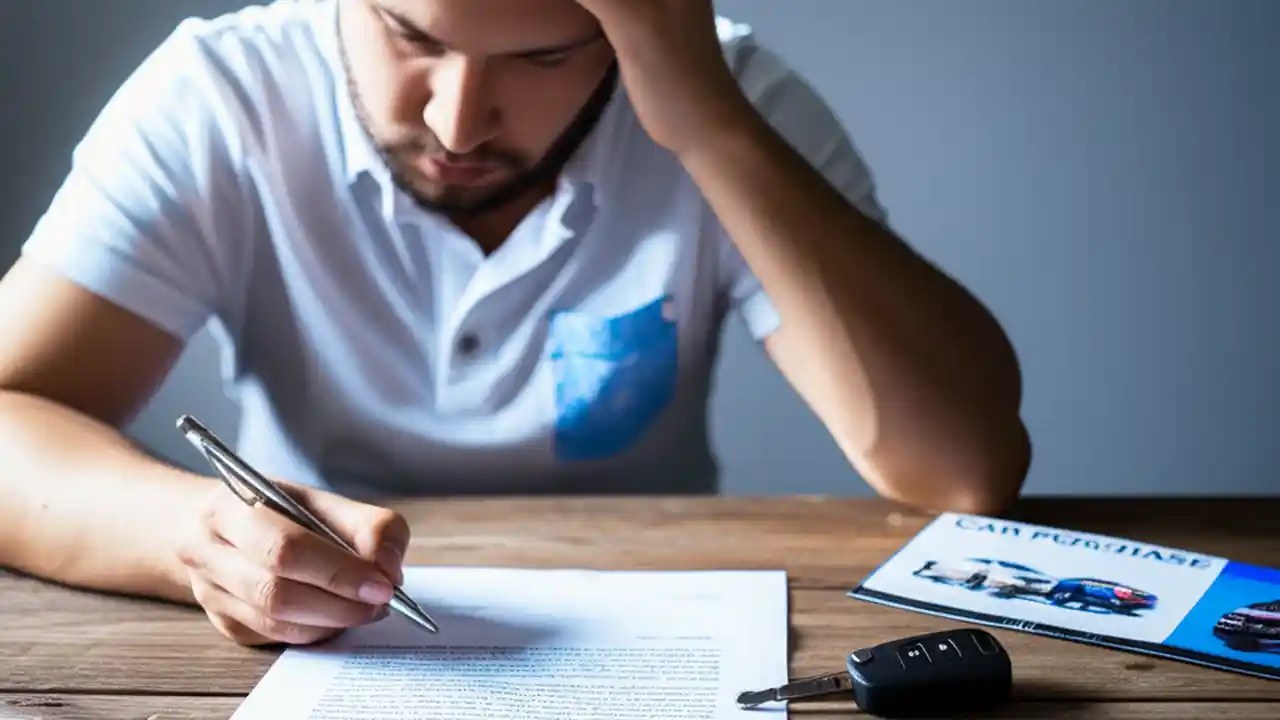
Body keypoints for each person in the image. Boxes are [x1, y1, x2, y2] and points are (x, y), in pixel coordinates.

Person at [0, 0, 1031, 647]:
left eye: (543, 57)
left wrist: (708, 127)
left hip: (648, 633)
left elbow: (956, 472)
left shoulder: (726, 98)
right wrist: (199, 540)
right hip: (321, 644)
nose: (457, 123)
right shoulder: (221, 98)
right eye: (409, 35)